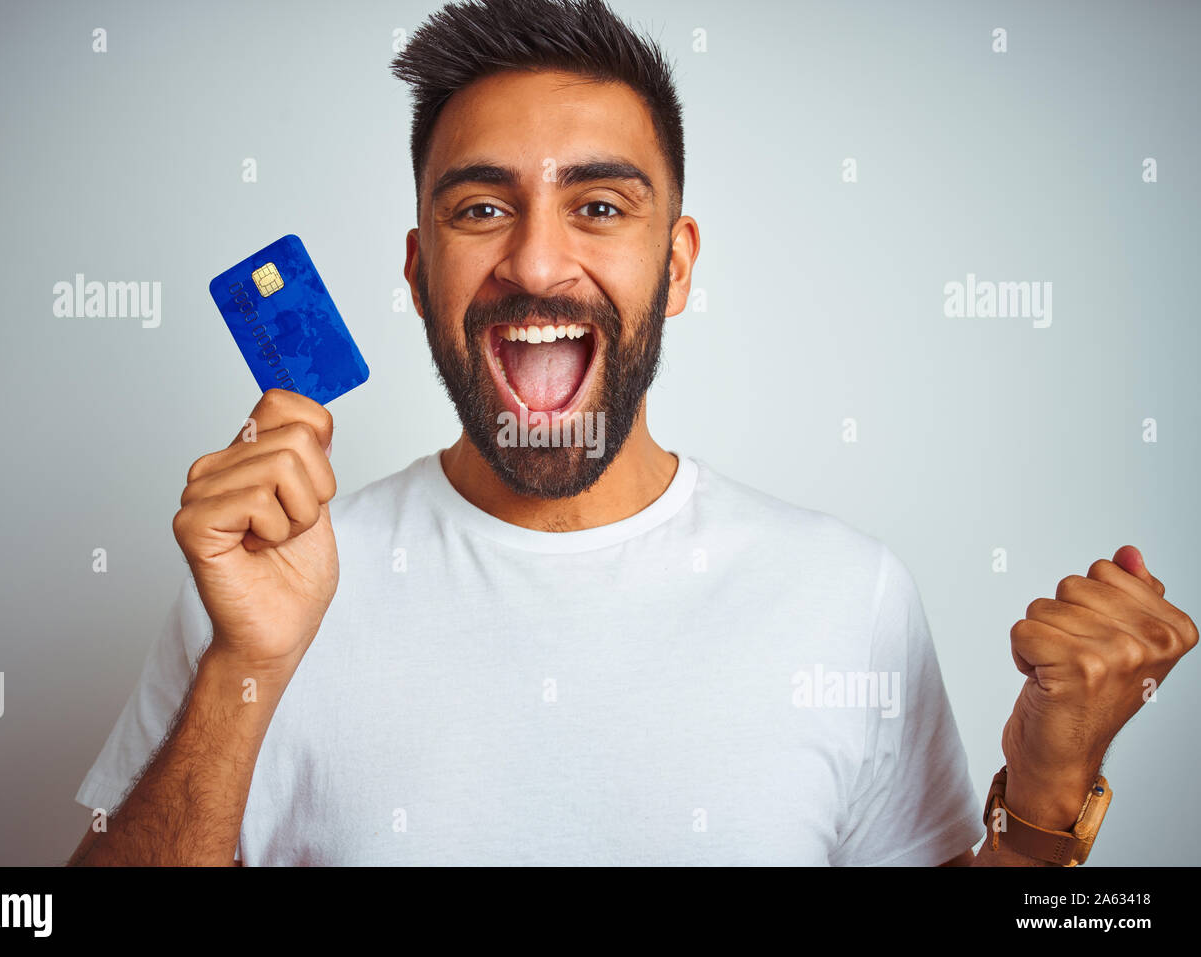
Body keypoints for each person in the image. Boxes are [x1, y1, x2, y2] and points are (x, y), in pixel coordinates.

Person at [69, 0, 1197, 866]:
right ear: (418, 273)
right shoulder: (266, 593)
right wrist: (245, 670)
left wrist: (1049, 797)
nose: (538, 261)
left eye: (600, 207)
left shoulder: (845, 595)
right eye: (480, 207)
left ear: (679, 264)